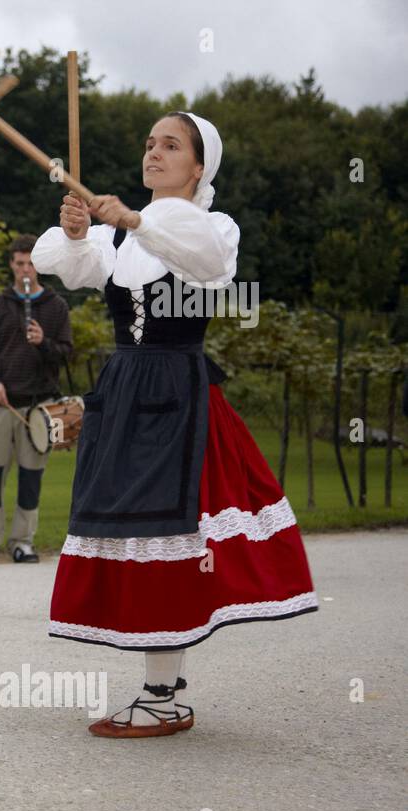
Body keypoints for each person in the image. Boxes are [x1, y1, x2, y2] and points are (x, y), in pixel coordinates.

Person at [32, 111, 318, 737]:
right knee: (136, 528)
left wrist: (131, 219)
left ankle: (162, 693)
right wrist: (79, 234)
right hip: (126, 389)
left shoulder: (210, 227)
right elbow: (74, 269)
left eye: (171, 145)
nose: (154, 153)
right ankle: (164, 688)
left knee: (168, 529)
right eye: (149, 144)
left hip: (176, 392)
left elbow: (208, 263)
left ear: (198, 166)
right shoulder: (124, 237)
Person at [0, 233, 73, 565]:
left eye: (30, 264)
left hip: (39, 407)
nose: (25, 270)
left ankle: (22, 542)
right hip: (0, 403)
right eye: (19, 264)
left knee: (31, 476)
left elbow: (66, 354)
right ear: (11, 265)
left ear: (38, 266)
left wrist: (44, 342)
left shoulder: (56, 307)